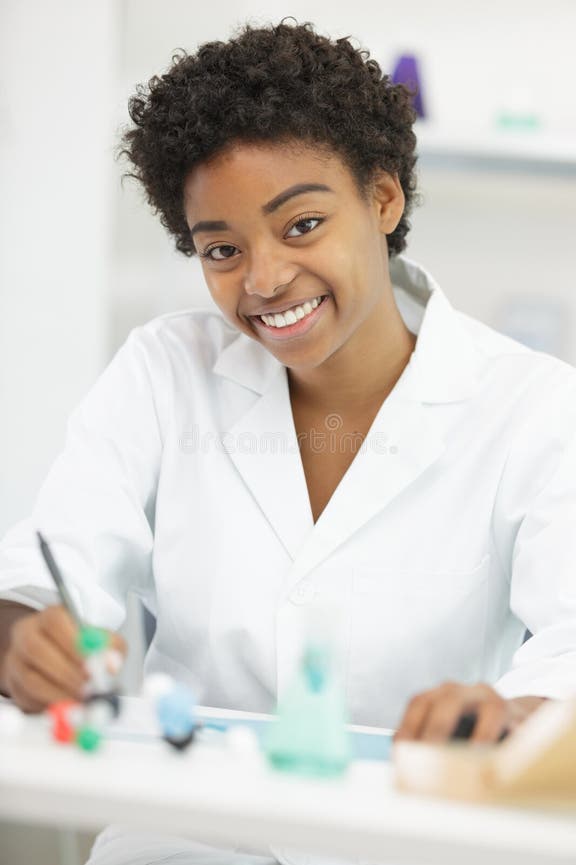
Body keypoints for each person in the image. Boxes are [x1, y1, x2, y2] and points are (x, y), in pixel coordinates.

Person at [0, 17, 575, 865]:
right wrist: (24, 635)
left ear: (383, 198)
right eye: (221, 249)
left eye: (301, 224)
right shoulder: (165, 372)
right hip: (183, 837)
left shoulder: (531, 406)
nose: (264, 279)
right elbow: (49, 566)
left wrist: (519, 715)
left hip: (412, 839)